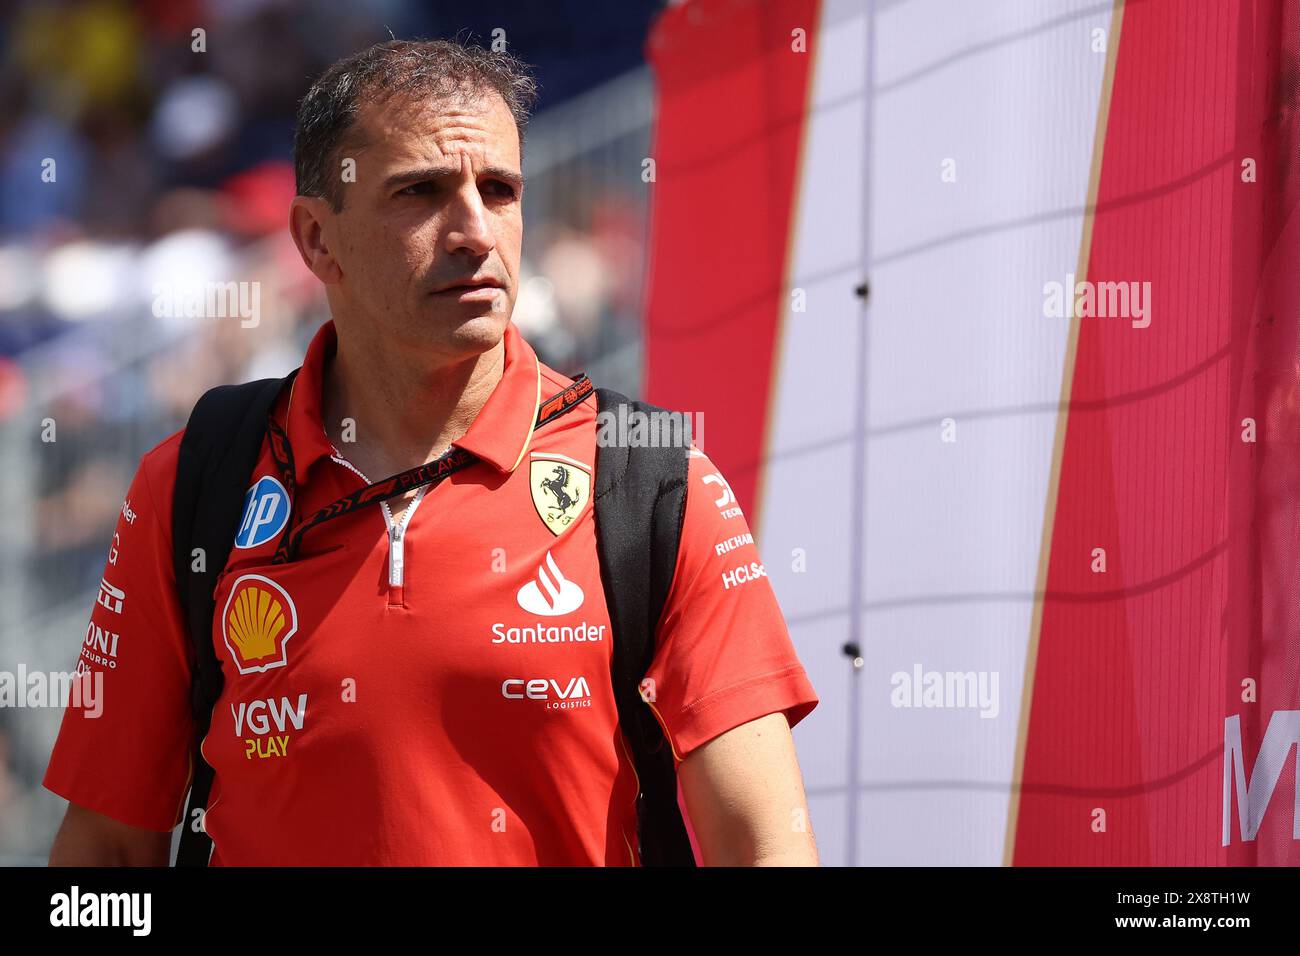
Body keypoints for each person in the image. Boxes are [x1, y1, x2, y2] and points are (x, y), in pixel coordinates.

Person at [44, 38, 819, 866]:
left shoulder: (652, 480)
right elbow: (106, 854)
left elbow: (764, 846)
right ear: (317, 239)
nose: (476, 232)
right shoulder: (194, 482)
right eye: (421, 191)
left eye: (500, 190)